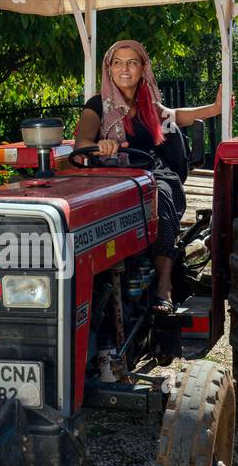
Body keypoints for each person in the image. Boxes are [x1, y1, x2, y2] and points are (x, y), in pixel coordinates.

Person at [73, 39, 222, 313]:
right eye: (117, 63)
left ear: (143, 67)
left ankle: (164, 285)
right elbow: (82, 143)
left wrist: (213, 109)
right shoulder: (96, 106)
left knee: (160, 198)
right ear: (108, 69)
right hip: (111, 175)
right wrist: (102, 146)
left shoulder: (149, 104)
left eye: (131, 62)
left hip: (152, 172)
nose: (124, 69)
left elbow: (177, 116)